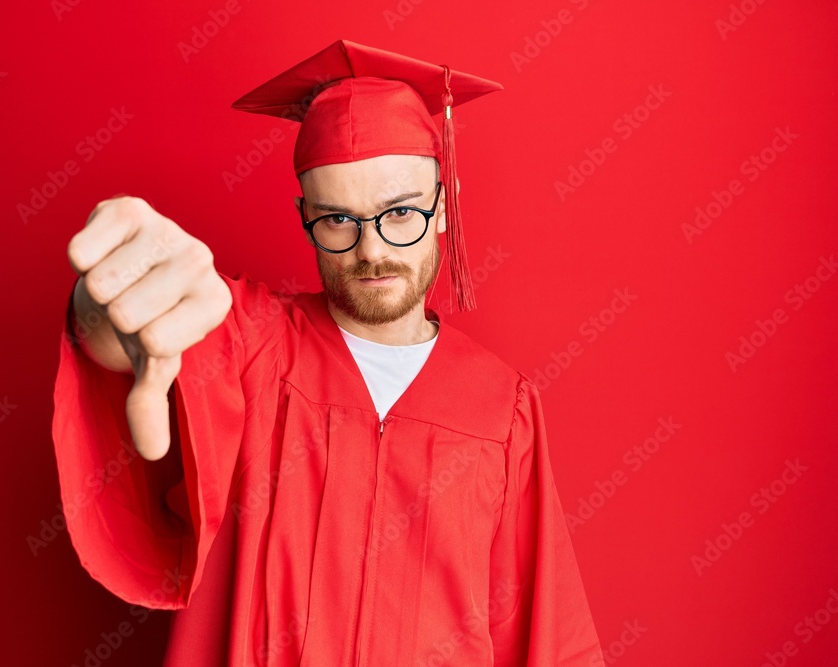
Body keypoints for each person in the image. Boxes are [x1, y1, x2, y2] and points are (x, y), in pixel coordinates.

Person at [52, 39, 604, 666]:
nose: (372, 250)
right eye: (338, 219)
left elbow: (542, 631)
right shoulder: (253, 344)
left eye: (400, 213)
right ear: (303, 215)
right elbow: (143, 338)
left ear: (443, 208)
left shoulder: (504, 409)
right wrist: (107, 306)